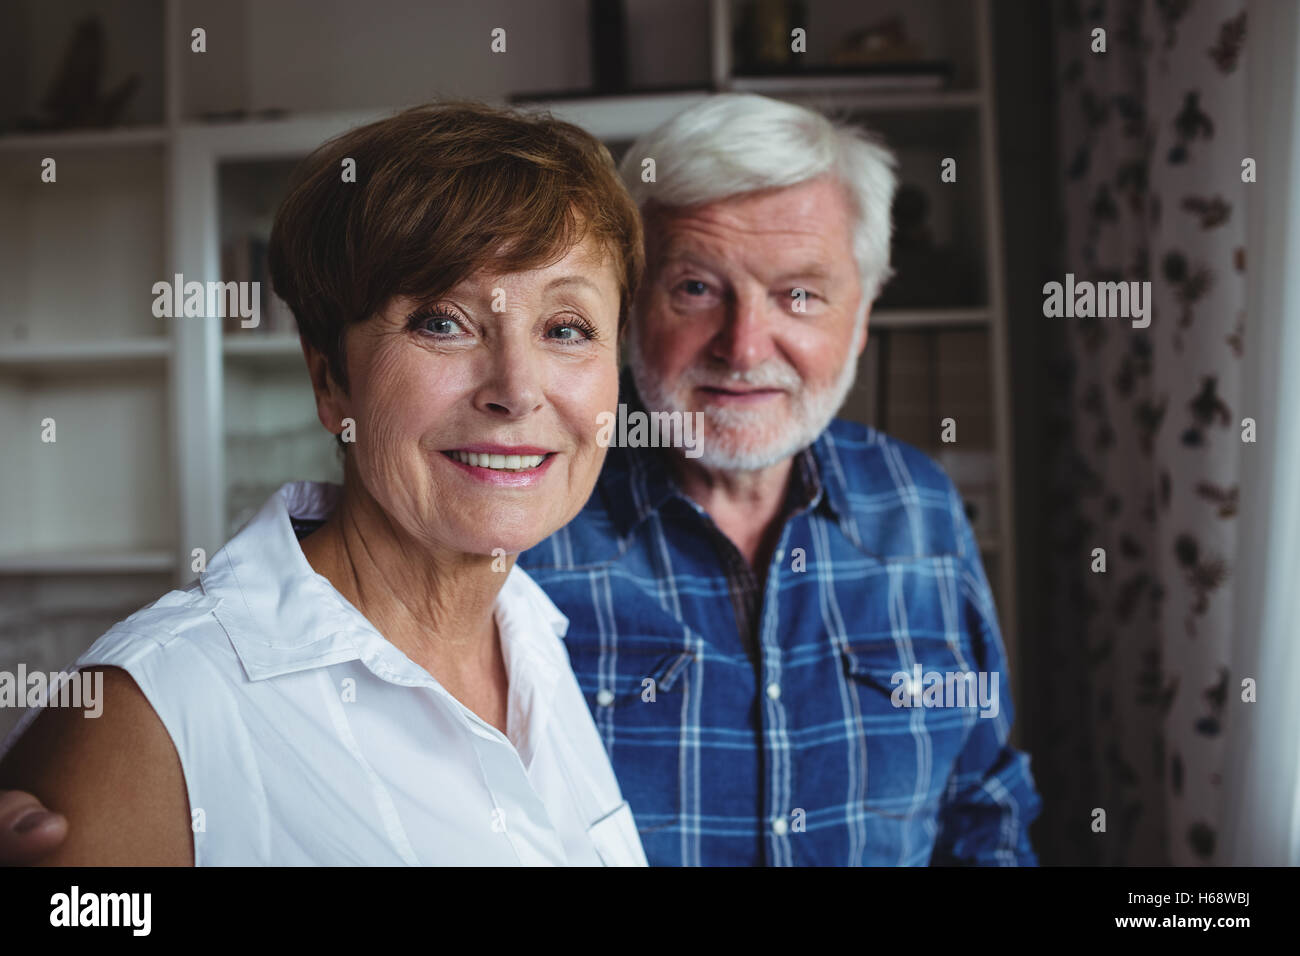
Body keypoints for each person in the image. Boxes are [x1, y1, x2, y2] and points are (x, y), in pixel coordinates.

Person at [0, 102, 648, 866]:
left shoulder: (535, 636)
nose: (516, 389)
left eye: (566, 328)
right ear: (330, 379)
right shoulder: (158, 711)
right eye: (443, 321)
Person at [515, 93, 1042, 865]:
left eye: (799, 294)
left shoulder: (920, 507)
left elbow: (984, 802)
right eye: (695, 288)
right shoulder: (527, 520)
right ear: (628, 307)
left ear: (859, 316)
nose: (743, 345)